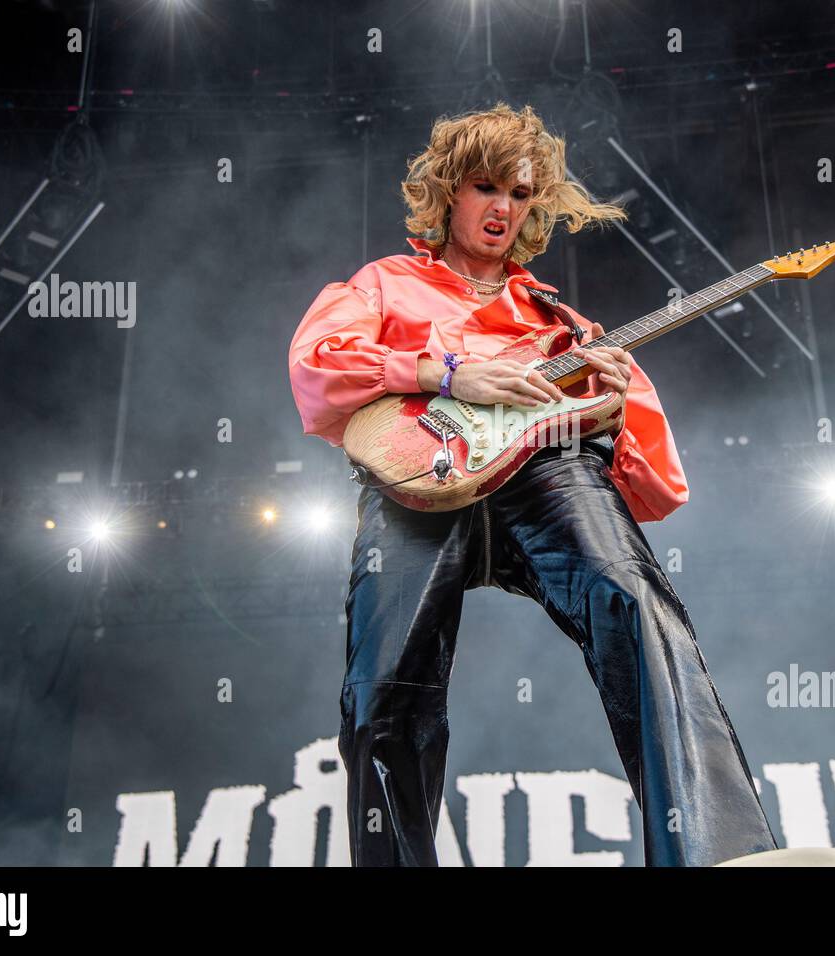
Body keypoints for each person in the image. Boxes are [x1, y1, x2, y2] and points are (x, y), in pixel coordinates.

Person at [287, 102, 777, 866]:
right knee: (384, 680)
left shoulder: (562, 321)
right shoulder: (385, 283)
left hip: (547, 468)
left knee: (638, 607)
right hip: (419, 479)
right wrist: (446, 371)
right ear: (449, 192)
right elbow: (317, 364)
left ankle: (720, 857)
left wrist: (612, 403)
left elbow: (658, 484)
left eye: (519, 195)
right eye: (487, 187)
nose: (503, 209)